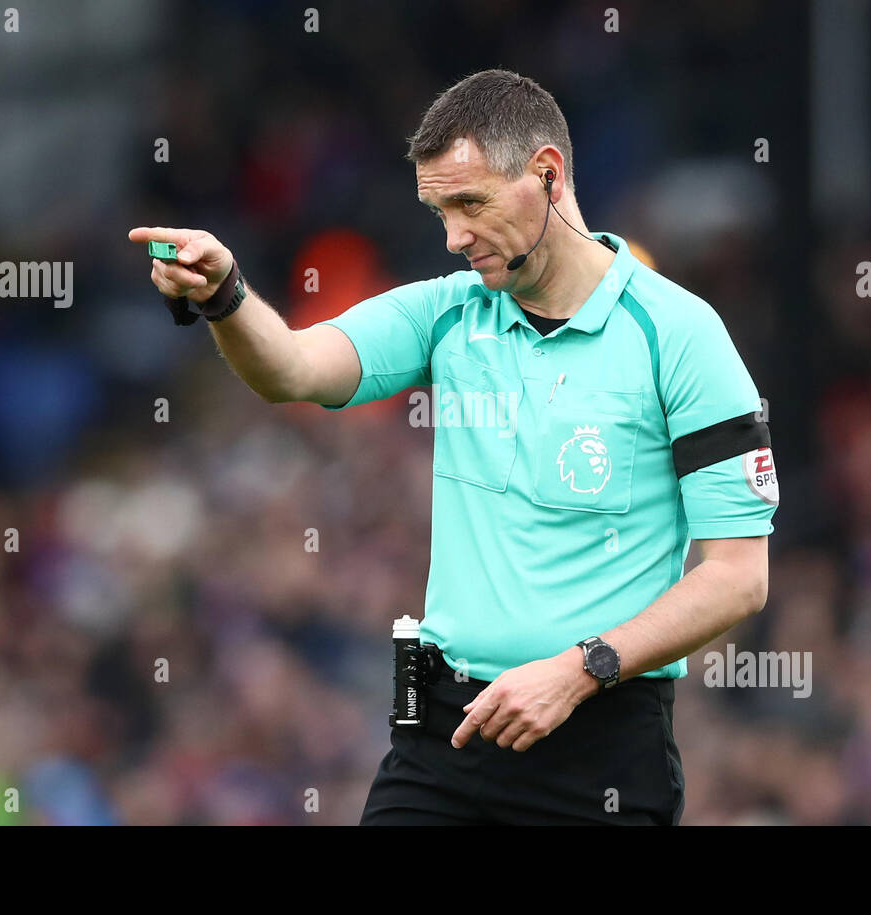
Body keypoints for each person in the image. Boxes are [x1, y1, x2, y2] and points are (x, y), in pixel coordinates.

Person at [128, 69, 778, 825]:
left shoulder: (678, 334)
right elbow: (293, 368)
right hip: (438, 742)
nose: (453, 236)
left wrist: (580, 669)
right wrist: (225, 294)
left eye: (470, 203)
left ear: (548, 174)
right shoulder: (445, 313)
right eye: (440, 210)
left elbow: (738, 579)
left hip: (597, 750)